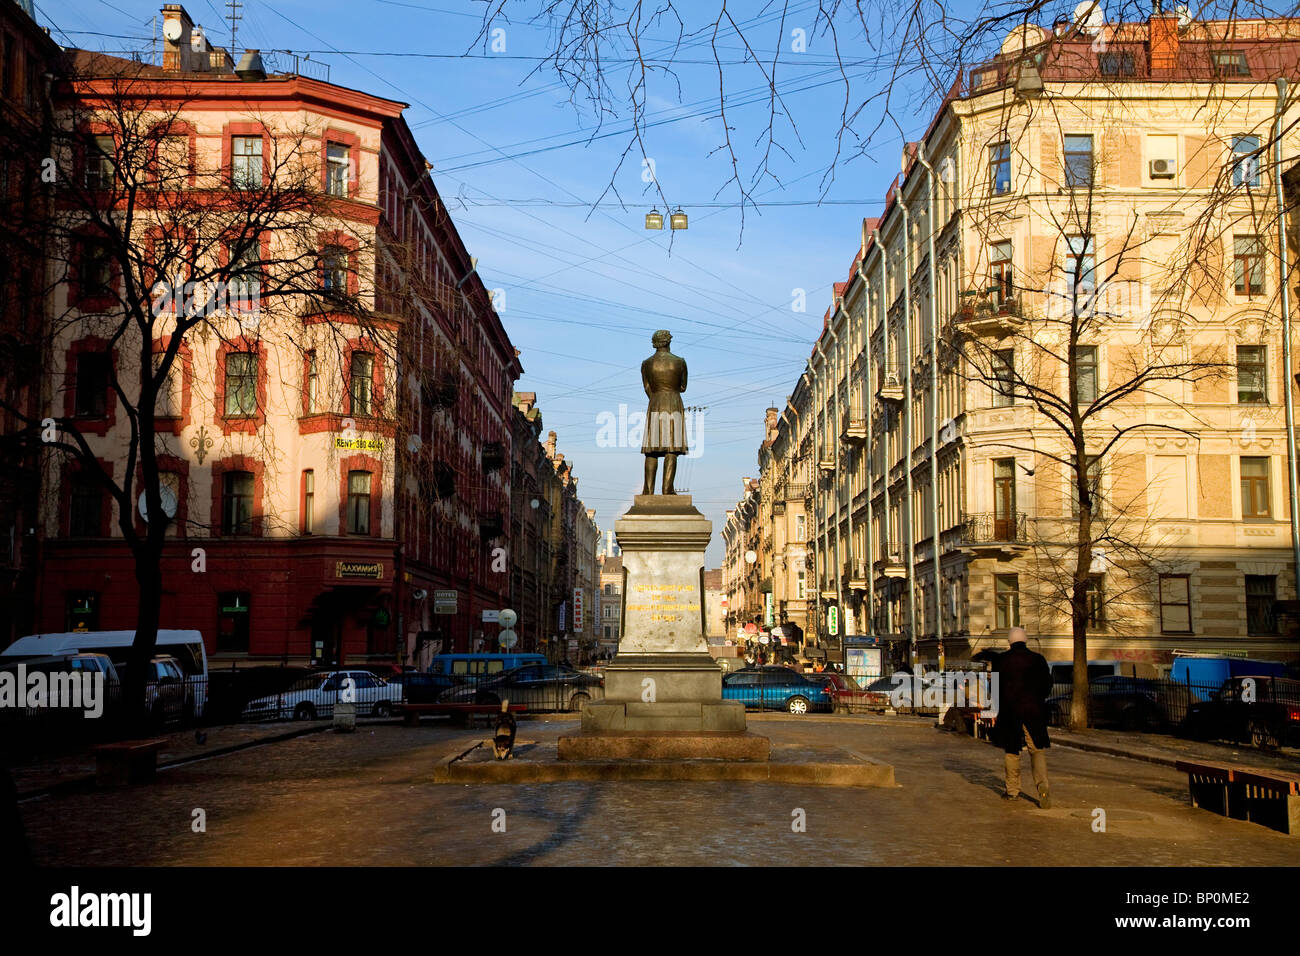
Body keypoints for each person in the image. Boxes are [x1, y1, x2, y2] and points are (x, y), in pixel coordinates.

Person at [992, 626, 1052, 808]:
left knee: (1012, 752)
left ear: (1009, 642)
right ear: (1025, 640)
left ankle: (1012, 791)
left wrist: (998, 707)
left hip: (1010, 711)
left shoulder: (1001, 660)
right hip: (1034, 711)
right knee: (1037, 750)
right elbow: (1048, 684)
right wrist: (1038, 700)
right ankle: (1042, 786)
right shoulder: (1038, 659)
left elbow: (995, 689)